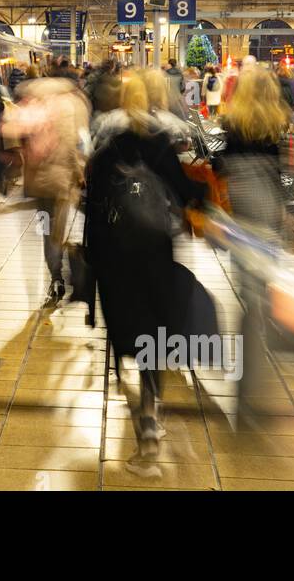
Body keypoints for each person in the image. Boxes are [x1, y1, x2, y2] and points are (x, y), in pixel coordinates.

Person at [84, 73, 206, 475]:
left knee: (125, 340)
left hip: (115, 258)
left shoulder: (106, 146)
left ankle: (141, 423)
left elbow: (93, 205)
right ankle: (153, 419)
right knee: (155, 335)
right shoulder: (160, 145)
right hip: (155, 251)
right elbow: (187, 192)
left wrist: (91, 261)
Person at [214, 68, 290, 428]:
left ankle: (251, 343)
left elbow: (218, 165)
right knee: (261, 283)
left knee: (248, 286)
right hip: (268, 212)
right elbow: (282, 174)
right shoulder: (278, 124)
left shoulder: (230, 124)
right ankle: (263, 327)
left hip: (240, 213)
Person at [1, 75, 89, 301]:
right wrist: (80, 174)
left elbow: (10, 136)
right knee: (57, 232)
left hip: (37, 186)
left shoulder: (31, 108)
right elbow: (72, 147)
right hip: (60, 185)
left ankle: (55, 277)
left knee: (45, 231)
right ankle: (62, 269)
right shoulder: (69, 108)